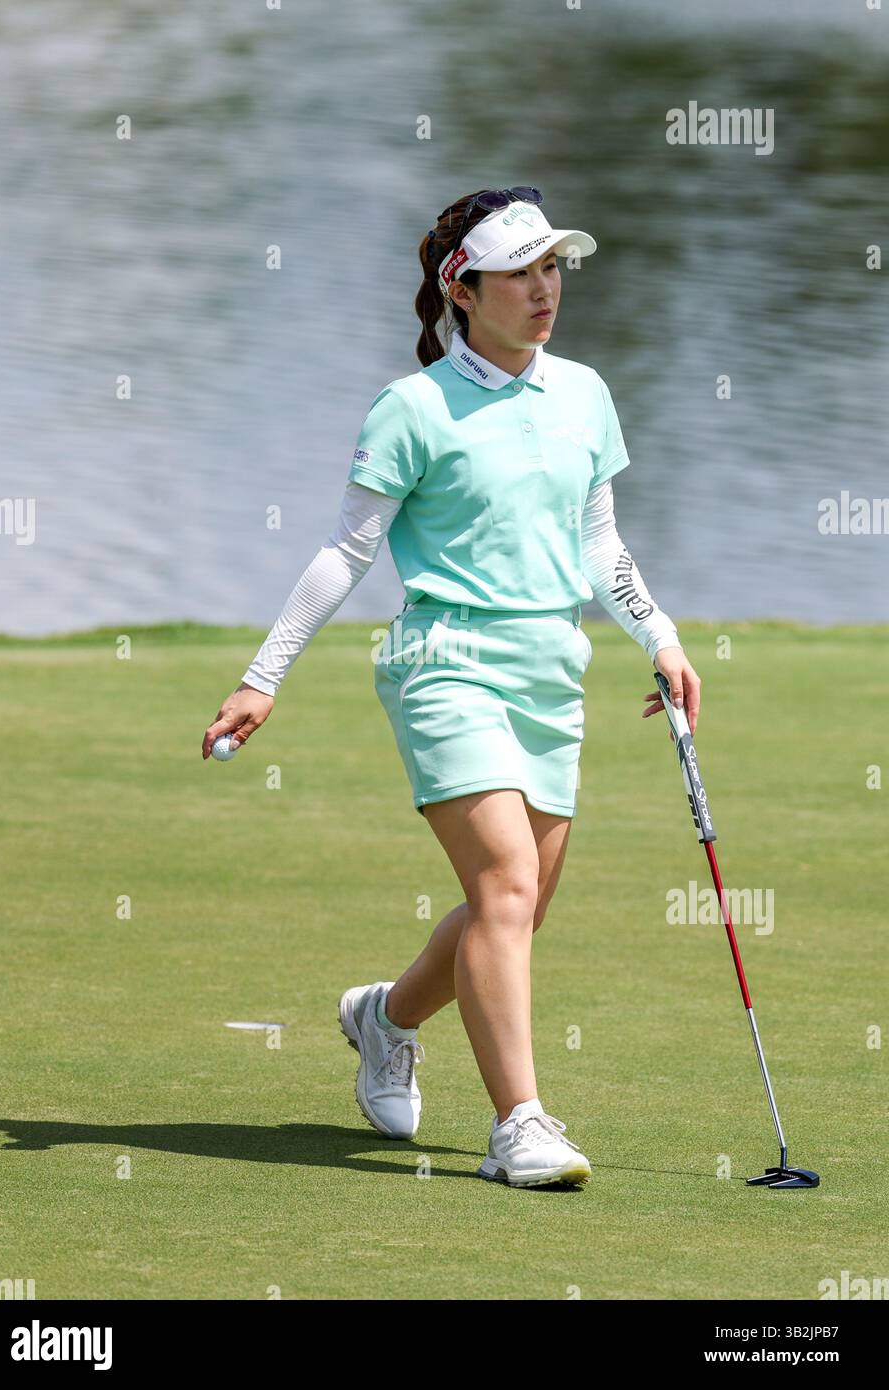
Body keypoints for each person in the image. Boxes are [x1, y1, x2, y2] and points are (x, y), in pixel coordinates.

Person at [202, 186, 701, 1189]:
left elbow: (599, 543)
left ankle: (383, 1018)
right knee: (506, 885)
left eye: (552, 267)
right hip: (443, 662)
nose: (543, 288)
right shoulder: (414, 408)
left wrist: (661, 634)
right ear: (461, 290)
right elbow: (348, 551)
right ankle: (519, 1124)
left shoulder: (585, 395)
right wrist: (264, 676)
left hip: (549, 668)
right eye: (519, 272)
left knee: (509, 908)